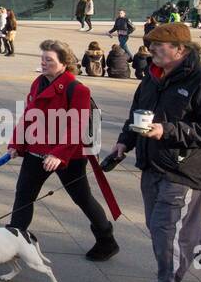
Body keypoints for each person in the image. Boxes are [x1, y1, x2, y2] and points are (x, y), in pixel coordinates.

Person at [110, 23, 201, 282]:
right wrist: (124, 142)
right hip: (152, 165)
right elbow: (136, 114)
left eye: (159, 45)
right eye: (150, 43)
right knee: (173, 226)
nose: (151, 49)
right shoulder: (151, 78)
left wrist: (168, 130)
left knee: (167, 234)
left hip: (185, 170)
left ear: (180, 49)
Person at [6, 39, 119, 262]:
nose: (44, 63)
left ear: (64, 63)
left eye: (49, 59)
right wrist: (16, 145)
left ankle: (106, 239)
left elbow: (76, 126)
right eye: (42, 58)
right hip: (37, 152)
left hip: (69, 156)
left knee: (83, 198)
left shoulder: (78, 90)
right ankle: (13, 241)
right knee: (23, 197)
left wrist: (58, 154)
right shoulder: (38, 82)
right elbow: (29, 115)